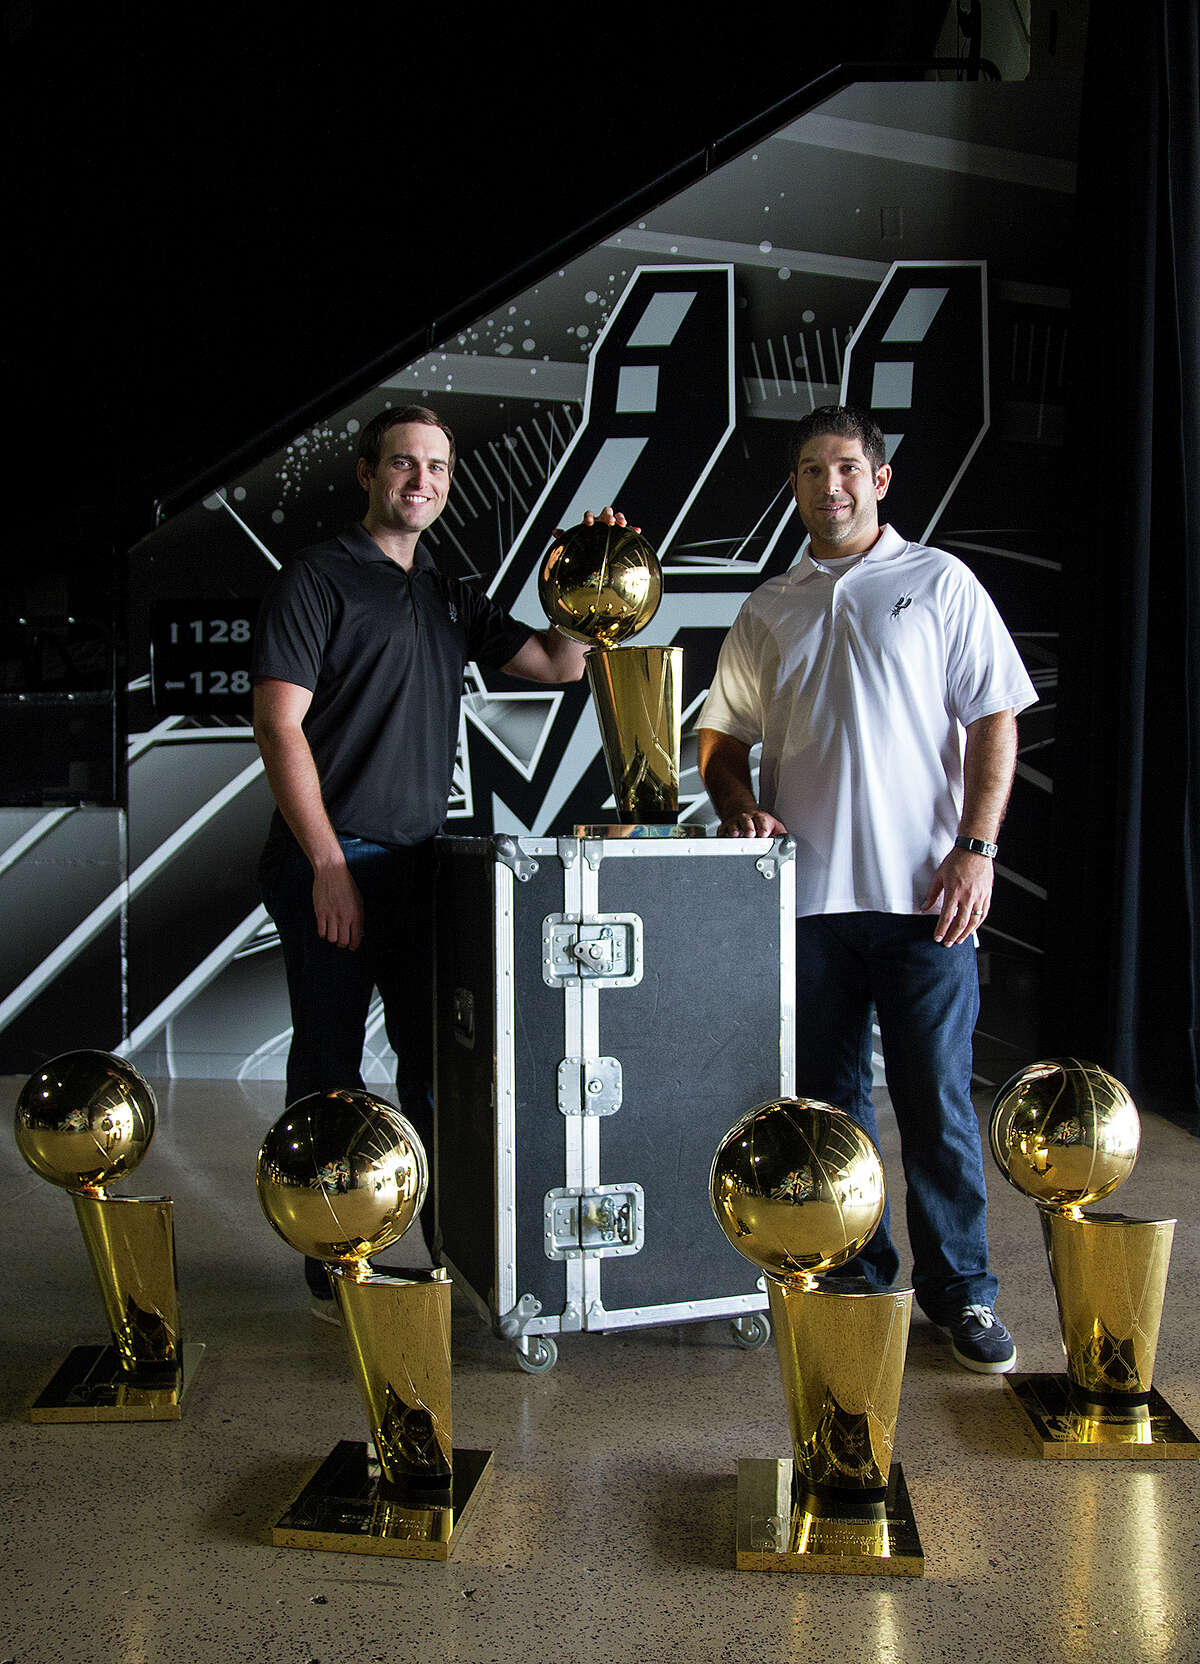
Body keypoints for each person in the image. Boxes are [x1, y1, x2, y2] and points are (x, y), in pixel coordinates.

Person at [697, 404, 1036, 1373]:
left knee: (935, 1102)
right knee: (830, 1109)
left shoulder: (939, 582)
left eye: (846, 467)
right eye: (810, 470)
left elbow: (995, 718)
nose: (829, 485)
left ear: (878, 480)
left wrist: (977, 844)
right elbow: (720, 737)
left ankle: (962, 1295)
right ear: (796, 486)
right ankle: (854, 1273)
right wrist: (733, 801)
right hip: (805, 903)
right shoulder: (772, 604)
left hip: (930, 897)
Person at [251, 405, 597, 1311]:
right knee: (329, 1066)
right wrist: (327, 862)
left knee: (435, 1068)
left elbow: (561, 665)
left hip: (418, 867)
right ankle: (336, 1259)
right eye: (404, 464)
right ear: (367, 473)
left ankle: (453, 1255)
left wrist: (592, 574)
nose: (423, 481)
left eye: (438, 468)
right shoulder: (319, 578)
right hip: (331, 861)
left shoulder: (445, 589)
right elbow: (278, 725)